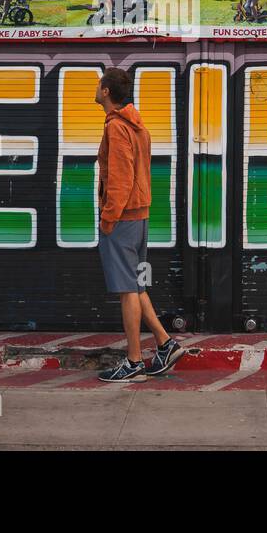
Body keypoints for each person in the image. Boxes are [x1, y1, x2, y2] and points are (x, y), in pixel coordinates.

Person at [94, 67, 185, 382]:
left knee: (126, 290)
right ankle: (165, 342)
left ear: (106, 91)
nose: (96, 88)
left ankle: (133, 362)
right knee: (135, 284)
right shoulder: (138, 126)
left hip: (122, 217)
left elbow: (120, 177)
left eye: (98, 84)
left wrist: (108, 218)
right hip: (139, 213)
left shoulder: (117, 128)